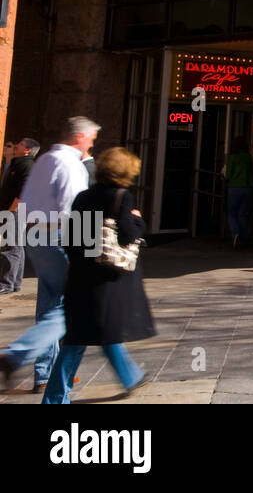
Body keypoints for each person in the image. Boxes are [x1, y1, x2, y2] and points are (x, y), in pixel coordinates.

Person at [41, 147, 154, 404]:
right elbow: (128, 233)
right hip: (106, 280)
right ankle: (128, 377)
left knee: (77, 339)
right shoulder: (122, 197)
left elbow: (71, 238)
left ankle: (55, 399)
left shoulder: (82, 197)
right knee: (102, 333)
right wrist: (138, 220)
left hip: (81, 277)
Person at [0, 117, 99, 392]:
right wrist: (84, 250)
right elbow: (72, 209)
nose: (91, 143)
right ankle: (17, 354)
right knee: (72, 306)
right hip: (59, 236)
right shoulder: (71, 164)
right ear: (79, 137)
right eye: (90, 138)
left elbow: (27, 201)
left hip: (36, 235)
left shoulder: (44, 160)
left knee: (48, 305)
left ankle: (43, 374)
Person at [0, 137, 39, 294]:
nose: (16, 145)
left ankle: (6, 283)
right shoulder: (19, 163)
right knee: (17, 245)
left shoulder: (27, 165)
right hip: (13, 210)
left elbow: (22, 192)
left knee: (11, 246)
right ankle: (15, 283)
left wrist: (11, 210)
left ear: (27, 150)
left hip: (15, 211)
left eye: (21, 144)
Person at [223, 136, 253, 248]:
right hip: (248, 187)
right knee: (243, 214)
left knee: (231, 213)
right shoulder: (248, 157)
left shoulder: (232, 157)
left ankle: (235, 233)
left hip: (235, 187)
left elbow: (228, 174)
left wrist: (225, 178)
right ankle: (243, 238)